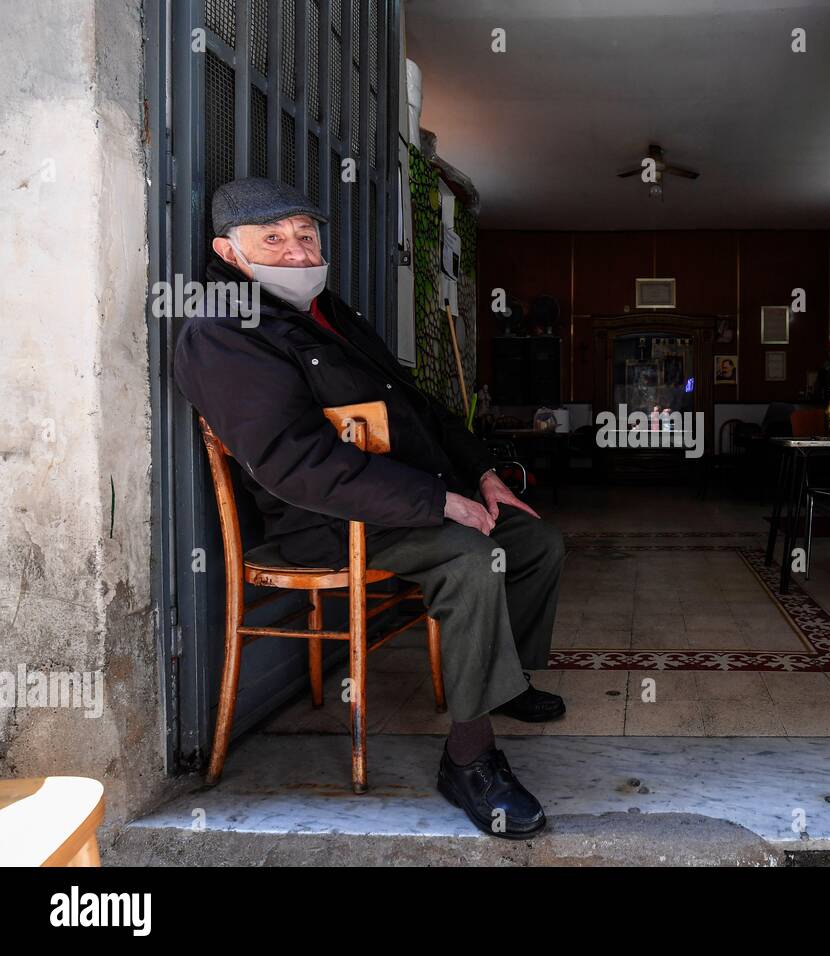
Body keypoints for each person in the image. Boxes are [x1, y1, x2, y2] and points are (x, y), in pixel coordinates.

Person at [173, 177, 565, 839]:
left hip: (396, 501)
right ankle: (469, 759)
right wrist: (435, 499)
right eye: (273, 238)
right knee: (474, 557)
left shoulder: (326, 310)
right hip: (325, 525)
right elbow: (293, 461)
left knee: (534, 542)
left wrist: (483, 473)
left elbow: (418, 406)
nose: (297, 252)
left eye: (305, 235)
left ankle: (505, 682)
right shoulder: (223, 329)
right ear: (229, 252)